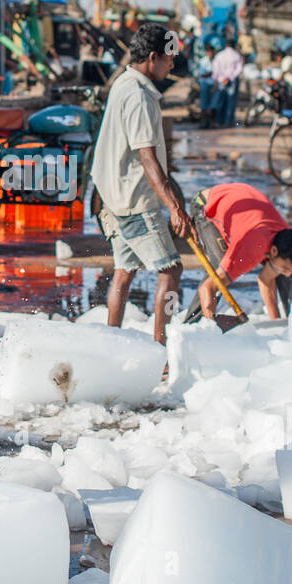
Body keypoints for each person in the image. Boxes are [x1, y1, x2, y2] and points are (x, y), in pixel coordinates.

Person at [90, 23, 193, 345]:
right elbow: (147, 158)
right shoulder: (138, 96)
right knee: (171, 270)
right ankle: (162, 346)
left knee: (124, 271)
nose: (172, 66)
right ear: (152, 57)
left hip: (112, 197)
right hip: (134, 202)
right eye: (169, 59)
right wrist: (175, 208)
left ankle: (111, 339)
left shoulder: (123, 84)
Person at [186, 182, 292, 322]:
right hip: (206, 203)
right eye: (285, 268)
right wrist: (210, 325)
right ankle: (192, 325)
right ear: (273, 250)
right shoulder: (251, 248)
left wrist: (276, 323)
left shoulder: (286, 237)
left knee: (291, 276)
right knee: (218, 272)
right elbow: (207, 287)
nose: (288, 273)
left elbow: (266, 278)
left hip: (239, 201)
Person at [210, 36, 245, 127]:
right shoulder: (237, 56)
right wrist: (229, 77)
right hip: (232, 80)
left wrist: (216, 82)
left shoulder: (219, 55)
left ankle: (219, 121)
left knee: (220, 101)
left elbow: (215, 71)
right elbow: (239, 70)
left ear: (225, 45)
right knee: (231, 102)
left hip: (221, 81)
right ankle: (228, 122)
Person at [195, 35, 220, 127]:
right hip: (205, 84)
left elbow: (217, 74)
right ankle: (204, 122)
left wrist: (213, 74)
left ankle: (212, 122)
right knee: (204, 104)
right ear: (207, 52)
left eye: (211, 51)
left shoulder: (217, 61)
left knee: (214, 104)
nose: (210, 53)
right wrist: (213, 73)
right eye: (209, 51)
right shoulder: (203, 61)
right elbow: (203, 75)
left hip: (214, 84)